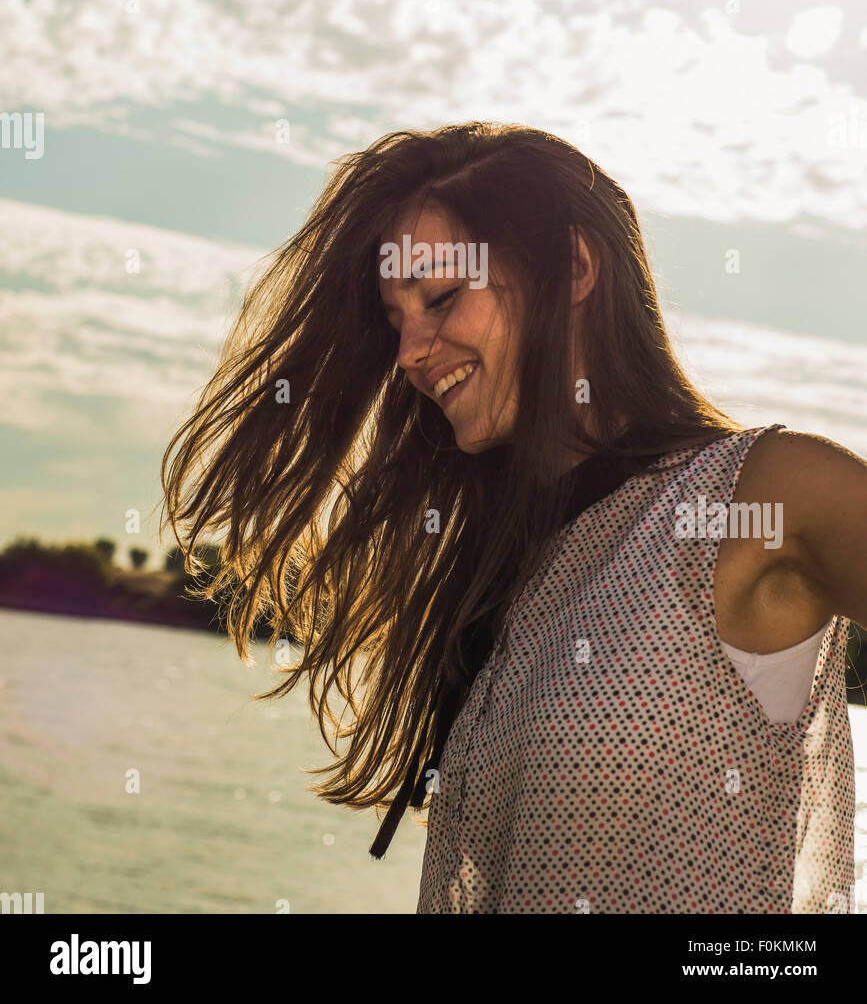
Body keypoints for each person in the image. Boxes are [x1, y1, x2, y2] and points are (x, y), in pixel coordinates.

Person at [160, 121, 861, 914]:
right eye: (395, 320)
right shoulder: (511, 572)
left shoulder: (759, 493)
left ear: (571, 266)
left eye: (442, 297)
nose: (410, 353)